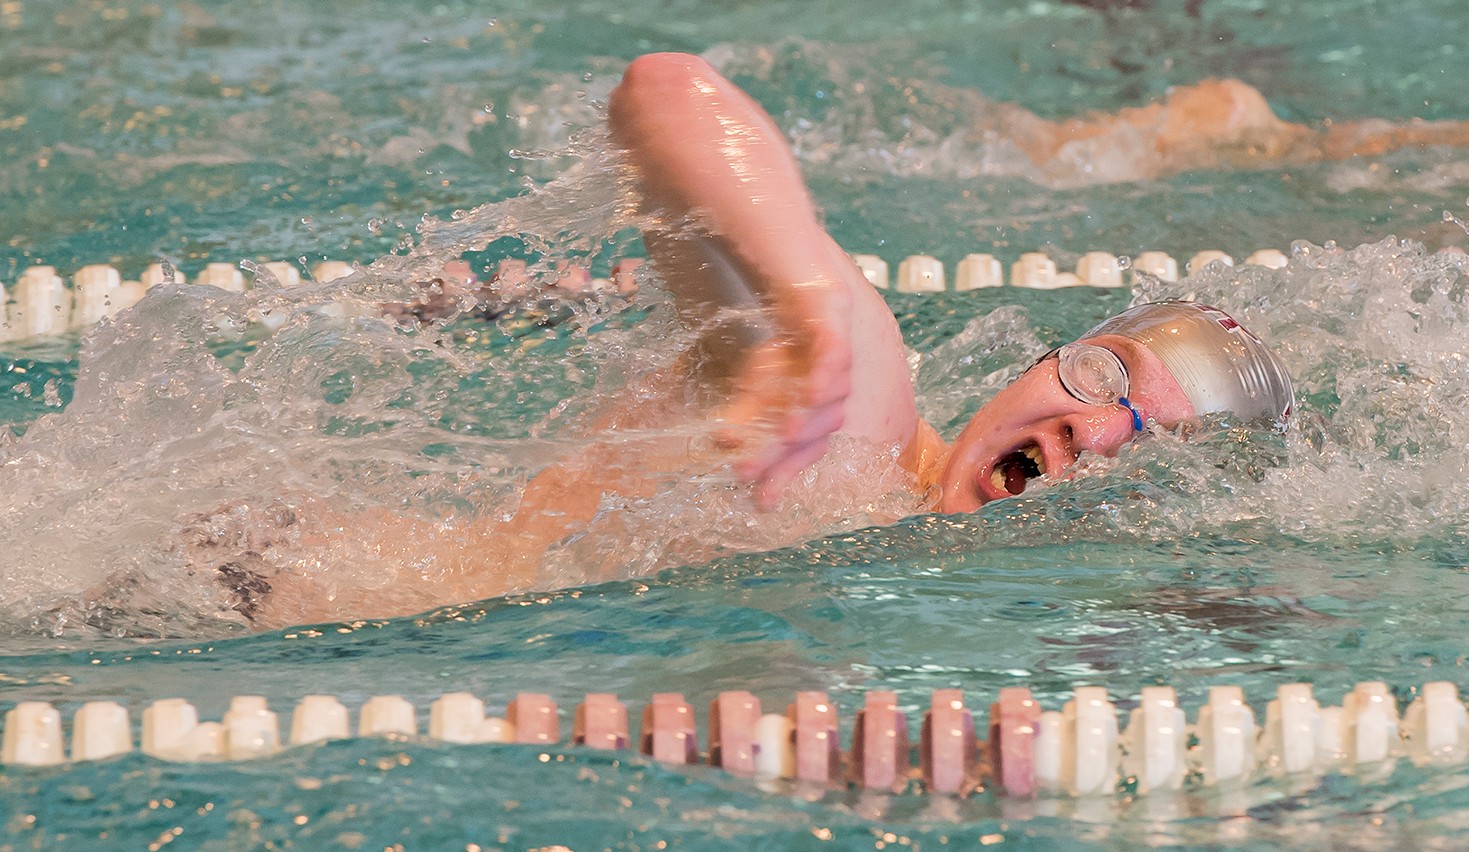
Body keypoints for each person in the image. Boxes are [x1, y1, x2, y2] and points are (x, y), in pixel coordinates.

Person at [195, 53, 1300, 627]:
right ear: (1035, 364)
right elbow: (666, 89)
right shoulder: (853, 415)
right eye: (1102, 377)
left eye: (1146, 441)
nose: (1094, 432)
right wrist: (808, 297)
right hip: (226, 581)